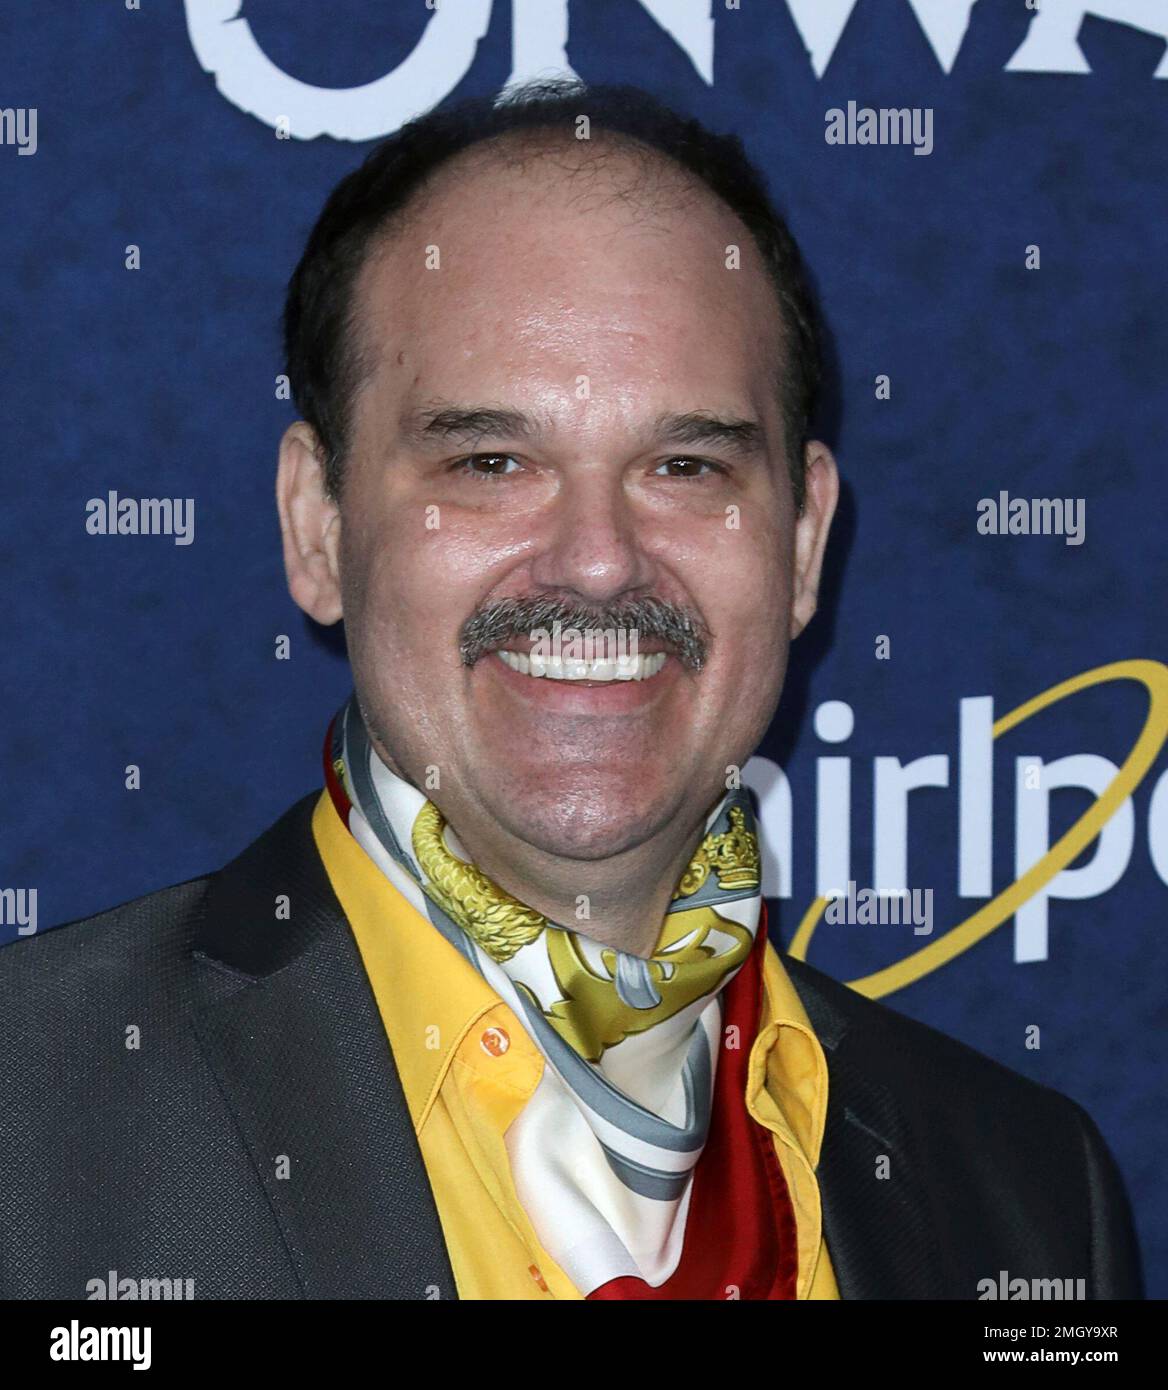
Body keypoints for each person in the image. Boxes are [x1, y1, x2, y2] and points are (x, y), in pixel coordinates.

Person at [0, 79, 1141, 1301]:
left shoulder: (1027, 1200)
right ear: (317, 525)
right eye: (491, 462)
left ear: (804, 544)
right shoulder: (32, 1111)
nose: (597, 561)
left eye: (685, 465)